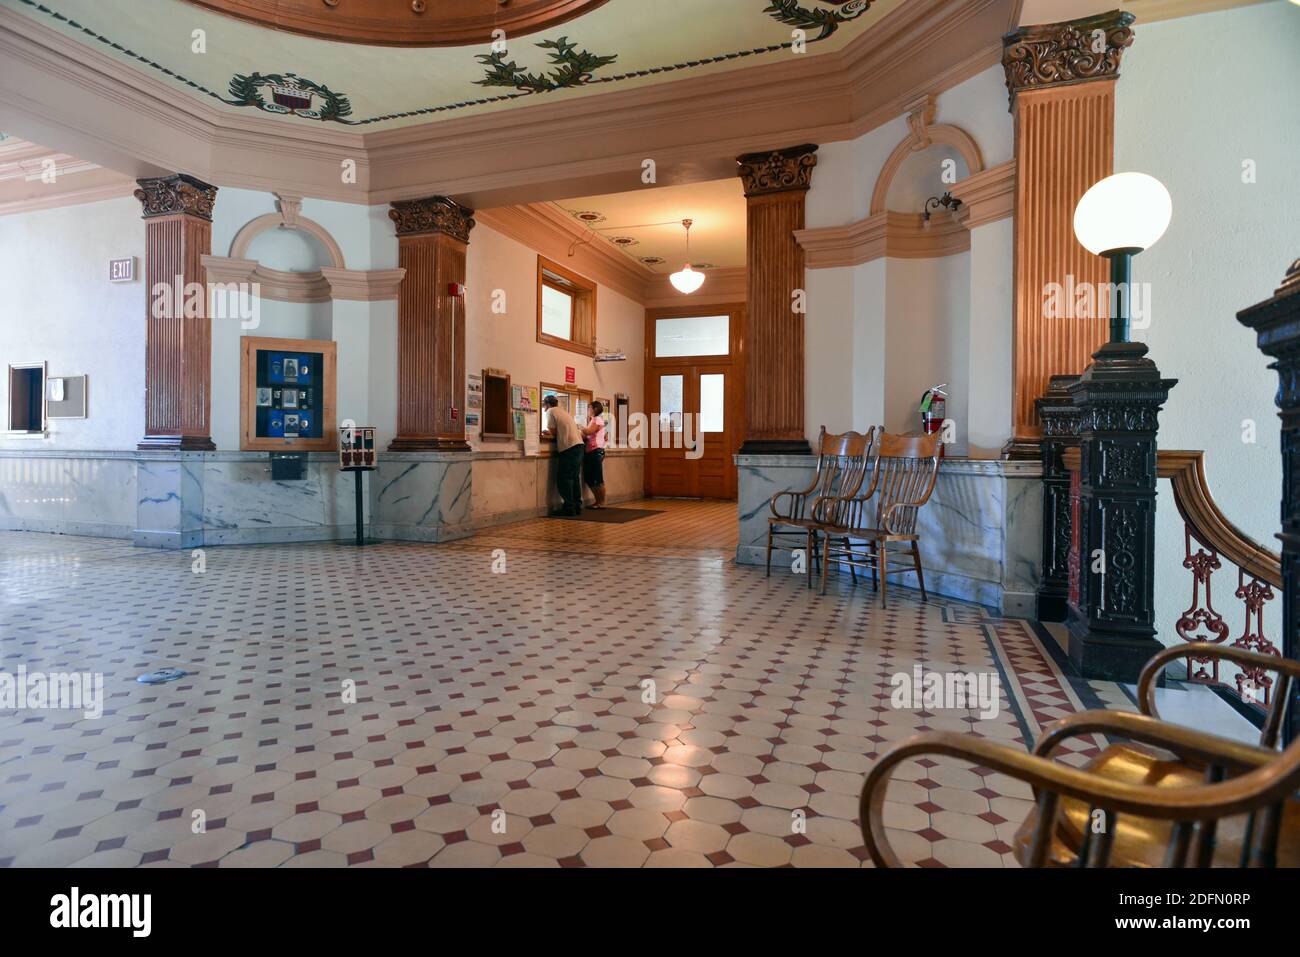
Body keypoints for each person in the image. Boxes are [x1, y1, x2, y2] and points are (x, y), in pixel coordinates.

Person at [543, 394, 584, 516]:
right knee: (574, 478)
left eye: (544, 405)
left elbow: (553, 431)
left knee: (564, 479)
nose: (544, 408)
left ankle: (568, 508)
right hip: (579, 445)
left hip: (569, 448)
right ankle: (577, 506)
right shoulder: (563, 411)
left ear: (547, 404)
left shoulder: (550, 411)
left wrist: (547, 432)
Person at [580, 400, 608, 509]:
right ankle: (598, 501)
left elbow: (588, 432)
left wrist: (578, 425)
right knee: (589, 478)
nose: (588, 410)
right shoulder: (593, 420)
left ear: (595, 409)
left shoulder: (598, 420)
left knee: (597, 479)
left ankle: (602, 502)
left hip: (596, 451)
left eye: (589, 408)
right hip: (590, 451)